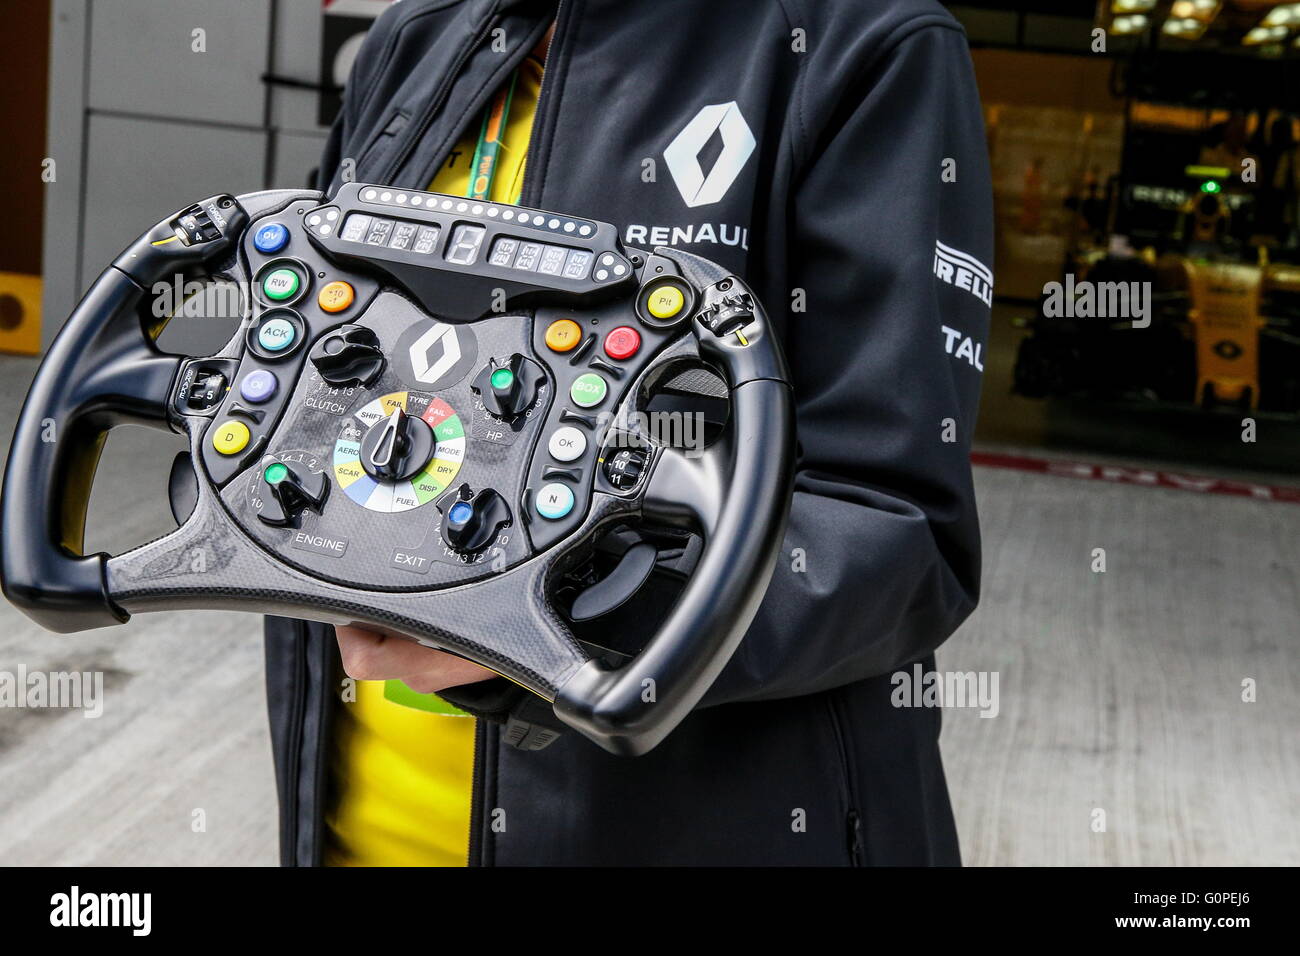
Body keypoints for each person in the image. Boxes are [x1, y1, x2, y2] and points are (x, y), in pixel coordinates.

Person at [264, 0, 993, 866]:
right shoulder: (416, 36)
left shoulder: (861, 42)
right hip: (358, 830)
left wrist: (556, 621)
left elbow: (897, 531)